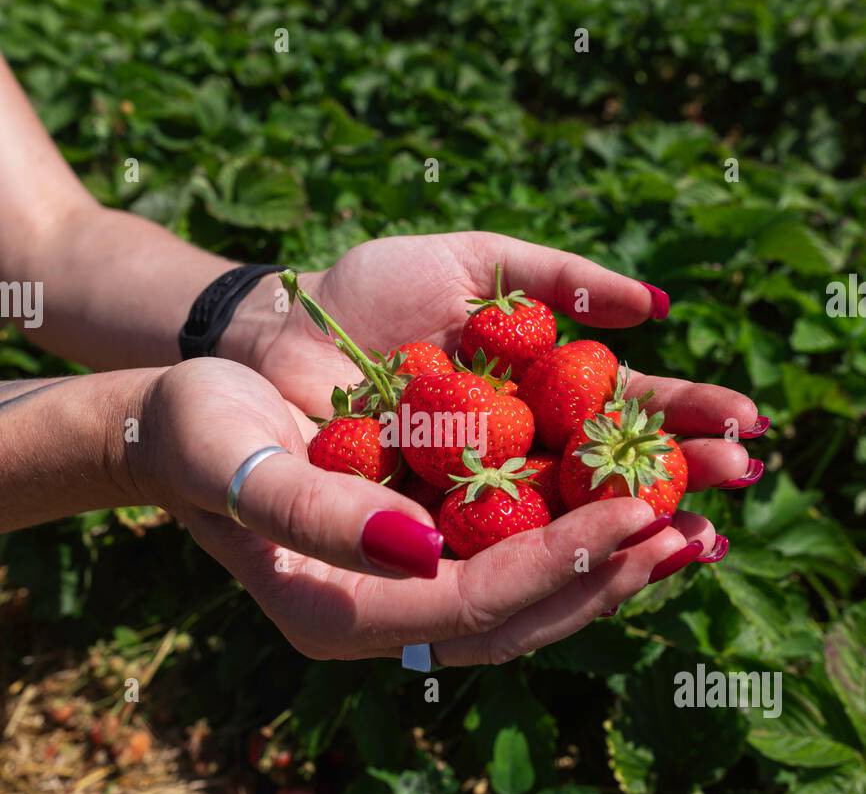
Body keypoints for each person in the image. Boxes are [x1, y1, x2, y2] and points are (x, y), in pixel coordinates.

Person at [0, 53, 766, 664]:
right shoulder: (433, 423)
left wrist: (259, 321)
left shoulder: (456, 405)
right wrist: (127, 441)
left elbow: (52, 243)